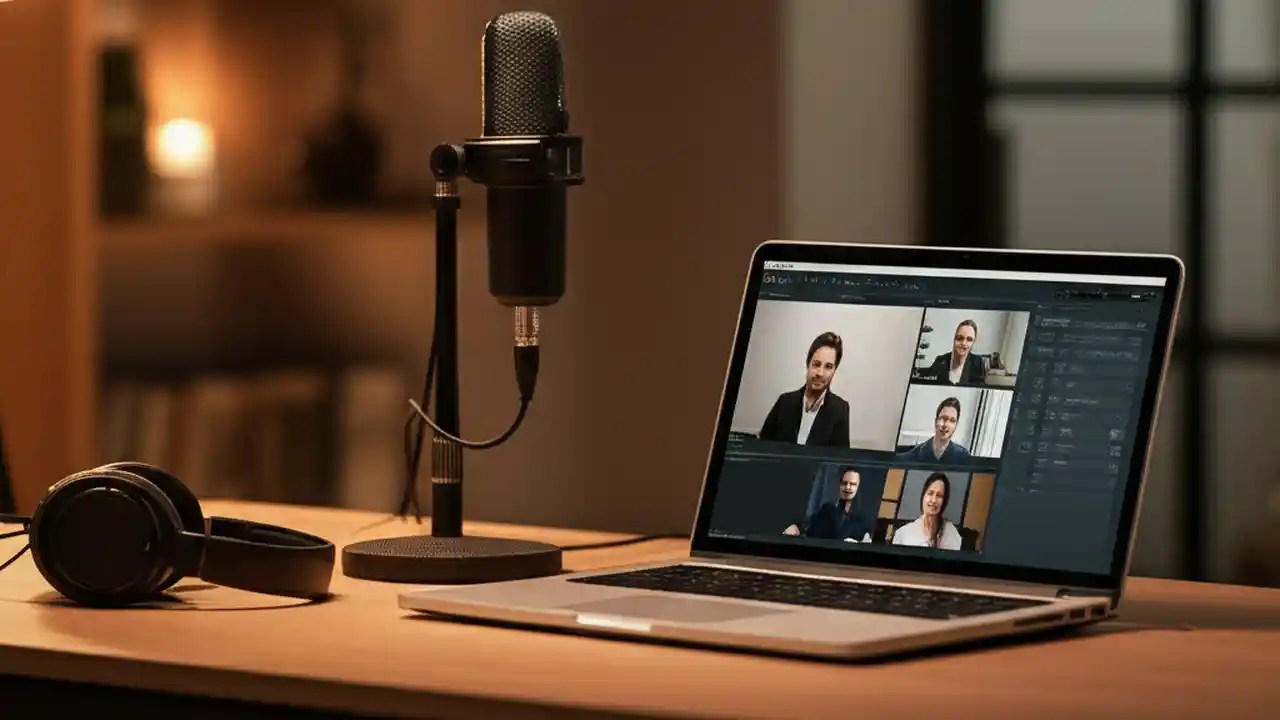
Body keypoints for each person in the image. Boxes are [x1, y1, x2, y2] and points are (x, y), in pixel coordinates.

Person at [757, 331, 851, 447]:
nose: (820, 373)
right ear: (808, 364)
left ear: (834, 371)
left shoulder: (840, 410)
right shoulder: (784, 402)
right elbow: (761, 447)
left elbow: (840, 460)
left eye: (828, 367)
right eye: (816, 364)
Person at [783, 467, 872, 543]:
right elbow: (810, 525)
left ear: (858, 487)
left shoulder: (862, 520)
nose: (848, 487)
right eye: (844, 483)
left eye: (852, 484)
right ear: (840, 485)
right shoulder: (827, 510)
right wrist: (797, 527)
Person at [892, 472, 962, 550]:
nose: (934, 500)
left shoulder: (950, 532)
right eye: (930, 493)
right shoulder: (903, 533)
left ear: (944, 502)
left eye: (939, 496)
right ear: (923, 496)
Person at [897, 397, 972, 463]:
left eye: (952, 420)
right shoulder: (917, 453)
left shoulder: (962, 456)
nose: (946, 425)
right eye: (943, 418)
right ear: (936, 421)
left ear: (956, 424)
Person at [917, 319, 986, 385]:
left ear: (973, 342)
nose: (964, 343)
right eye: (959, 338)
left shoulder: (978, 363)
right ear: (954, 339)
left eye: (969, 339)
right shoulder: (940, 360)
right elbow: (928, 376)